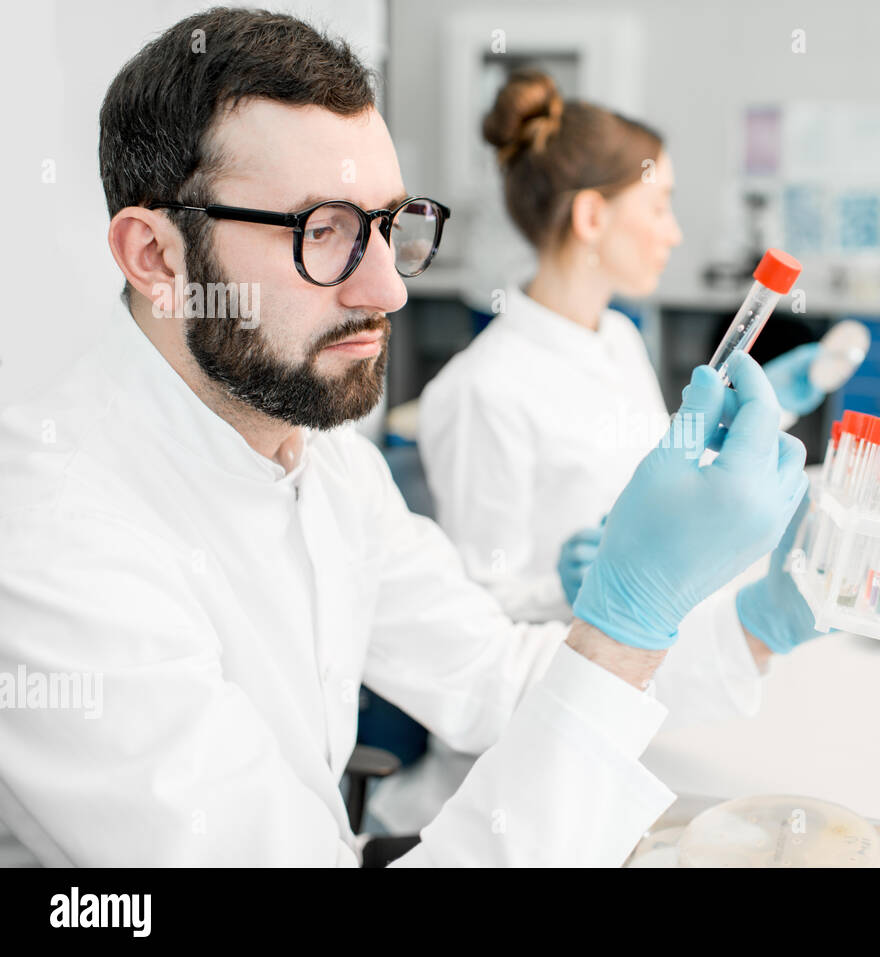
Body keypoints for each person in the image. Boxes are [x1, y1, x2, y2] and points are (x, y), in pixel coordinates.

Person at [0, 8, 807, 867]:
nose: (388, 289)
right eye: (324, 232)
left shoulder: (323, 459)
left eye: (389, 225)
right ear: (158, 258)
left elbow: (495, 679)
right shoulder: (55, 543)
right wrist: (627, 621)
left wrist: (746, 622)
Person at [418, 69, 830, 627]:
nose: (674, 233)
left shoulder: (618, 337)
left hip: (657, 642)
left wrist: (763, 409)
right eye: (659, 206)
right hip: (558, 675)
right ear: (591, 216)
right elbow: (478, 607)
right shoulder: (481, 390)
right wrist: (565, 589)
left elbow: (660, 469)